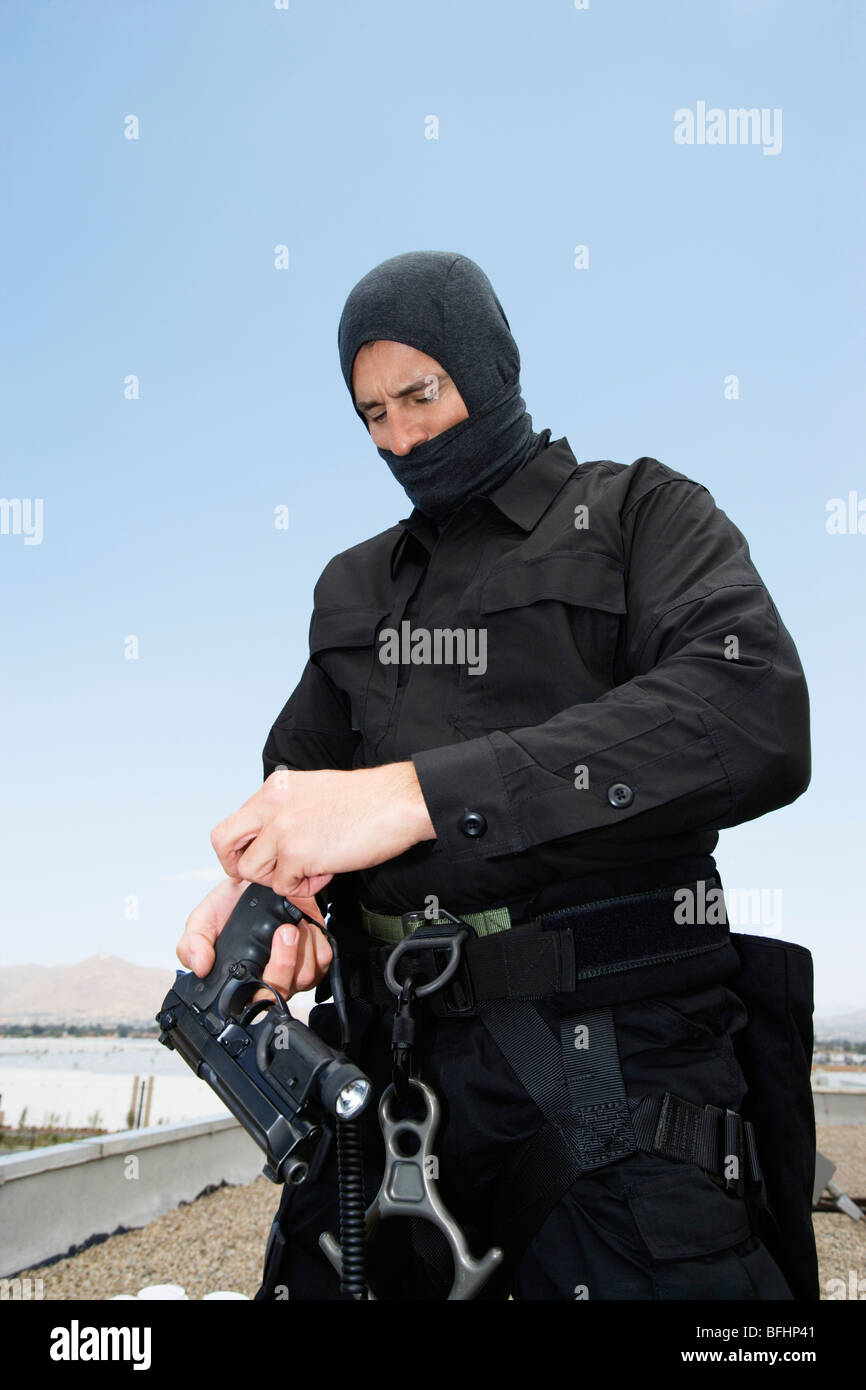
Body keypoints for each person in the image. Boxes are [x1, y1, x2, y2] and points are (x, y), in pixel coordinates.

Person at [177, 250, 815, 1301]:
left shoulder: (640, 514)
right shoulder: (350, 589)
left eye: (419, 394)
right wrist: (269, 898)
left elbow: (750, 715)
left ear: (489, 364)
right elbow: (300, 799)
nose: (400, 437)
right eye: (371, 414)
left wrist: (412, 795)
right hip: (380, 1084)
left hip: (614, 1080)